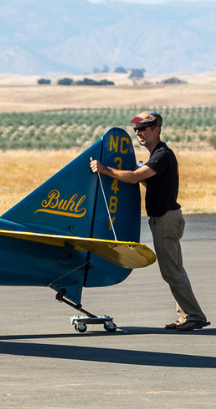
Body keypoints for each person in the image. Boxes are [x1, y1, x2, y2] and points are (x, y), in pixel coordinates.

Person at [89, 111, 209, 331]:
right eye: (136, 130)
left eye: (143, 129)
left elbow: (135, 178)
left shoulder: (162, 155)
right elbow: (147, 182)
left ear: (157, 129)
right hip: (164, 220)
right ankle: (186, 316)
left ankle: (195, 316)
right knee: (174, 270)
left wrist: (106, 170)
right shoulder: (158, 156)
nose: (138, 133)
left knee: (172, 271)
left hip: (166, 220)